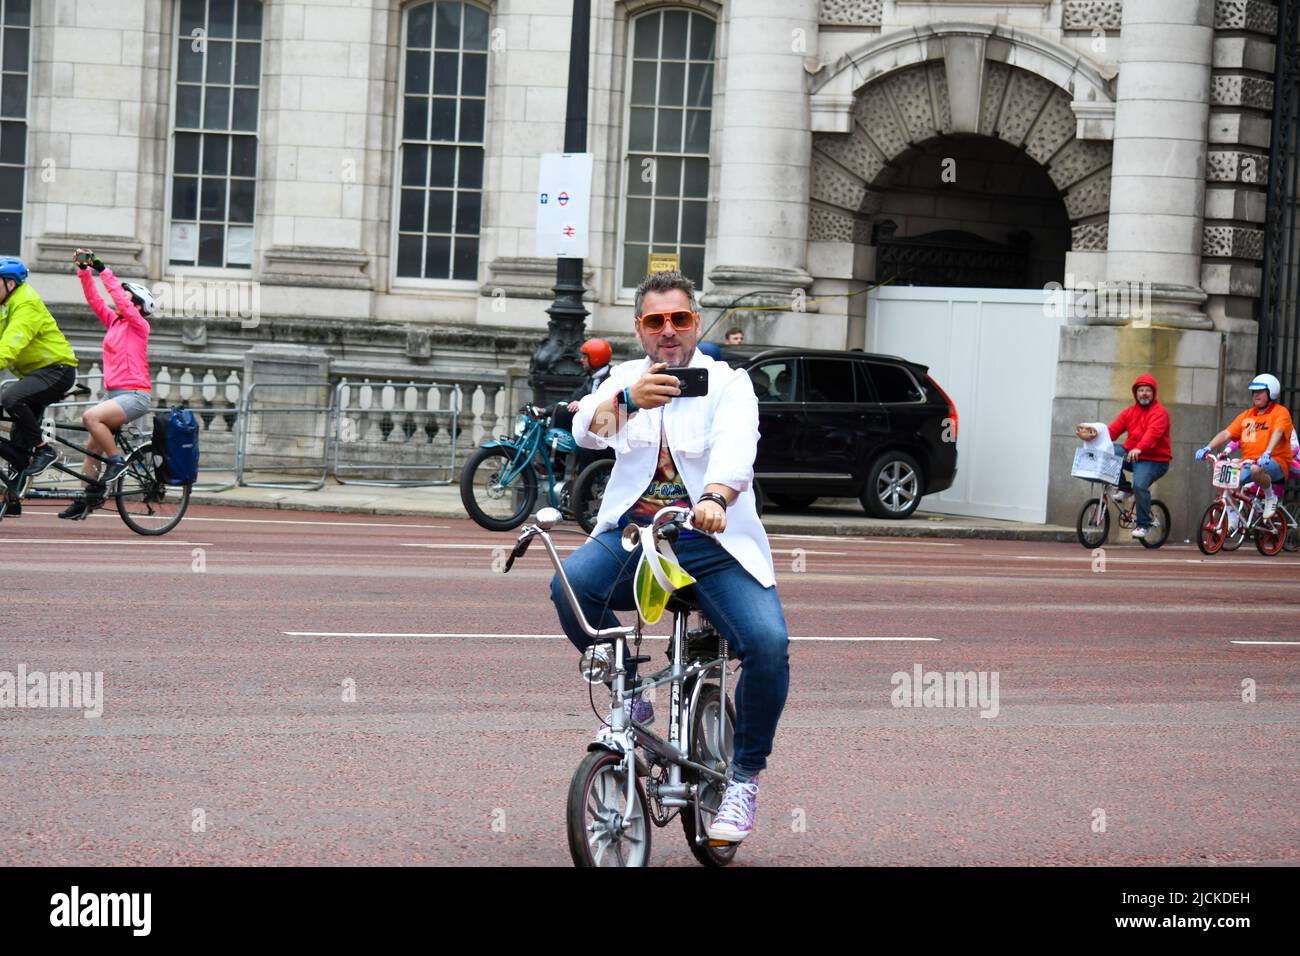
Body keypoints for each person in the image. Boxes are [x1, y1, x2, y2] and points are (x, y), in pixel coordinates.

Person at [554, 270, 790, 843]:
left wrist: (715, 497)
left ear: (695, 323)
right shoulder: (624, 379)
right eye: (655, 321)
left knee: (768, 645)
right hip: (636, 537)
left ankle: (744, 779)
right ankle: (633, 691)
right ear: (640, 328)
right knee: (570, 587)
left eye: (678, 319)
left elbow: (738, 445)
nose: (667, 331)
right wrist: (627, 402)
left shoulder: (728, 383)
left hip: (710, 541)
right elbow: (585, 432)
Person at [60, 249, 154, 519]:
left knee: (91, 416)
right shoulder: (114, 323)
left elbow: (117, 298)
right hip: (117, 395)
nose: (121, 299)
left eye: (127, 296)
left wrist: (103, 268)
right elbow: (94, 299)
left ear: (137, 306)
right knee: (92, 449)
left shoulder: (139, 325)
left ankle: (117, 462)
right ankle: (86, 499)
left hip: (135, 395)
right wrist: (83, 270)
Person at [0, 256, 79, 516]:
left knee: (11, 398)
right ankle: (13, 499)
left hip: (57, 369)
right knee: (17, 443)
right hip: (34, 374)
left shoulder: (26, 303)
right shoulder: (5, 304)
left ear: (10, 284)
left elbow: (9, 346)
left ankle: (45, 451)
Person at [1081, 373, 1171, 539]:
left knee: (1140, 486)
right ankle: (1124, 487)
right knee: (1109, 452)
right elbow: (1112, 432)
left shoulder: (1160, 413)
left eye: (1148, 390)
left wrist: (1139, 449)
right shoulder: (1129, 412)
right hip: (1132, 455)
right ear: (1135, 393)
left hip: (1155, 460)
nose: (1144, 393)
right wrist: (1094, 436)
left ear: (1154, 393)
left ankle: (1144, 525)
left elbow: (1152, 434)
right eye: (1141, 390)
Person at [1195, 373, 1294, 519]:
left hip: (1275, 462)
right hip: (1250, 462)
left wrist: (1267, 452)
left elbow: (1278, 432)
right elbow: (1226, 433)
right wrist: (1207, 448)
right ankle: (1233, 517)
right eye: (1254, 392)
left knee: (1256, 469)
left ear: (1271, 393)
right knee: (1222, 477)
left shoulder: (1280, 412)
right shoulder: (1248, 416)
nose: (1255, 395)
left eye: (1260, 392)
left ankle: (1270, 497)